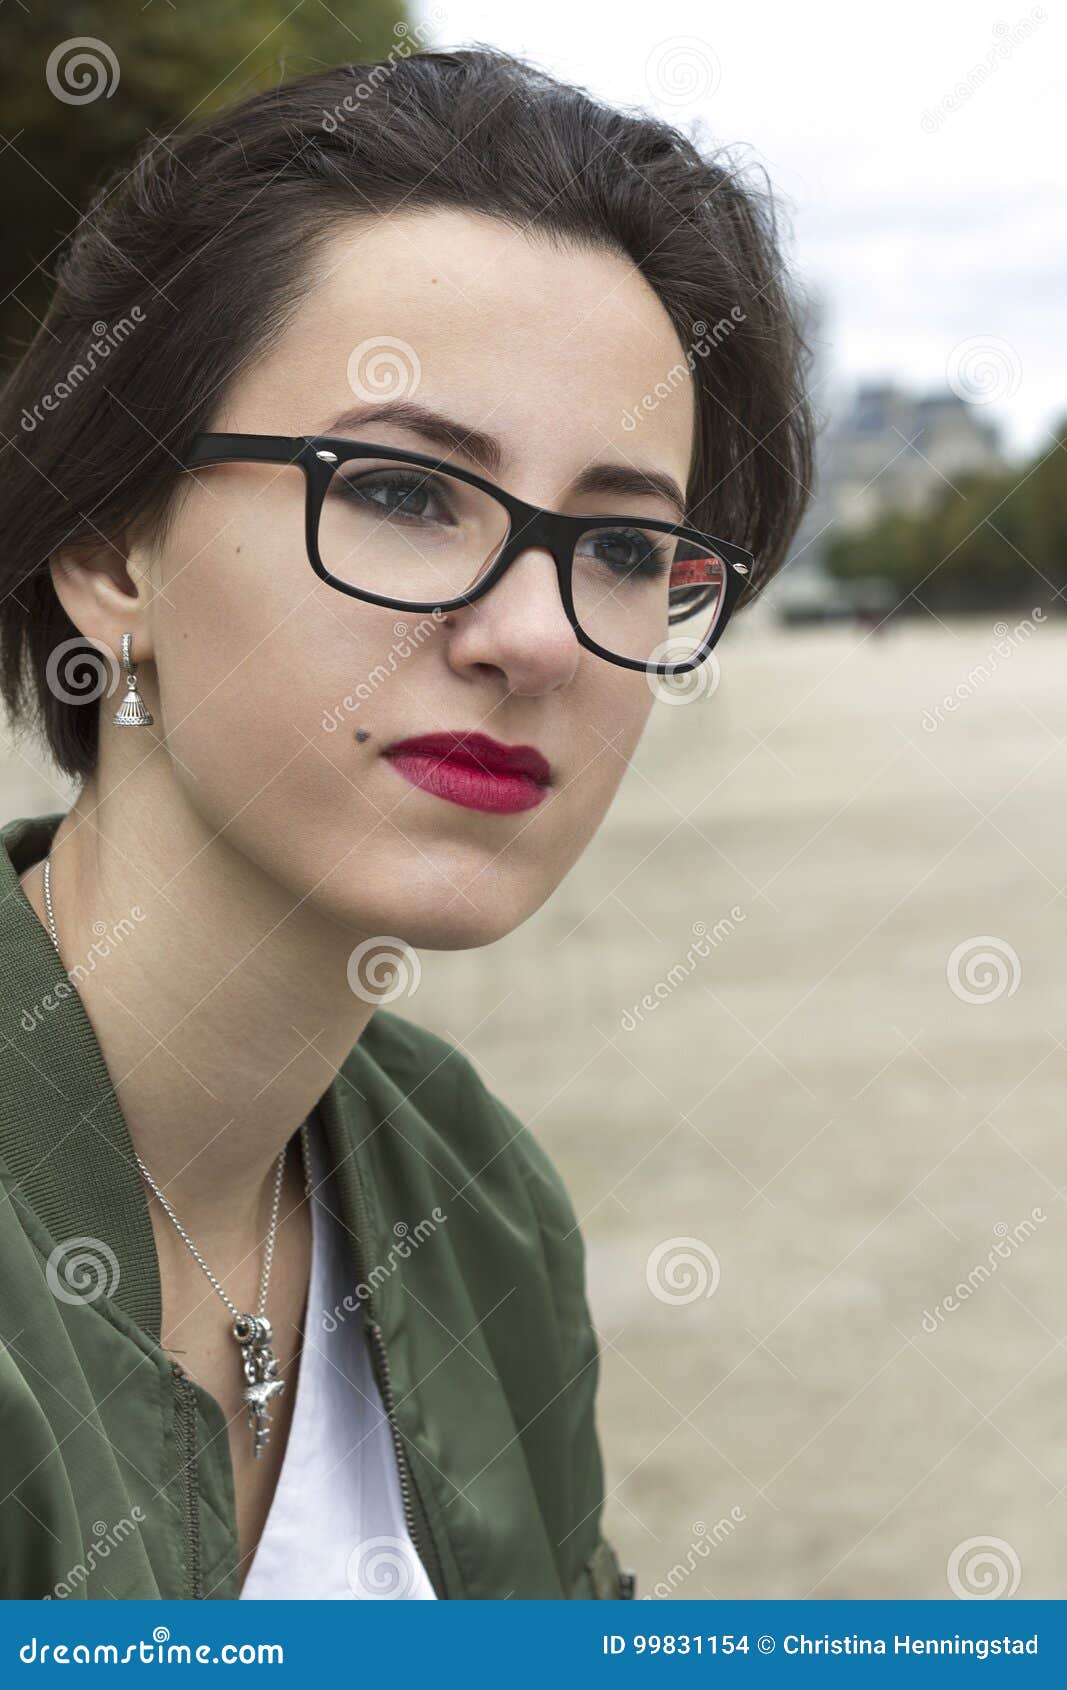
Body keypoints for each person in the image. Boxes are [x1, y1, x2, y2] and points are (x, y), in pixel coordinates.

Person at [0, 46, 814, 1600]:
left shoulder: (480, 1204)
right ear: (114, 552)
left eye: (627, 546)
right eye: (399, 491)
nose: (541, 635)